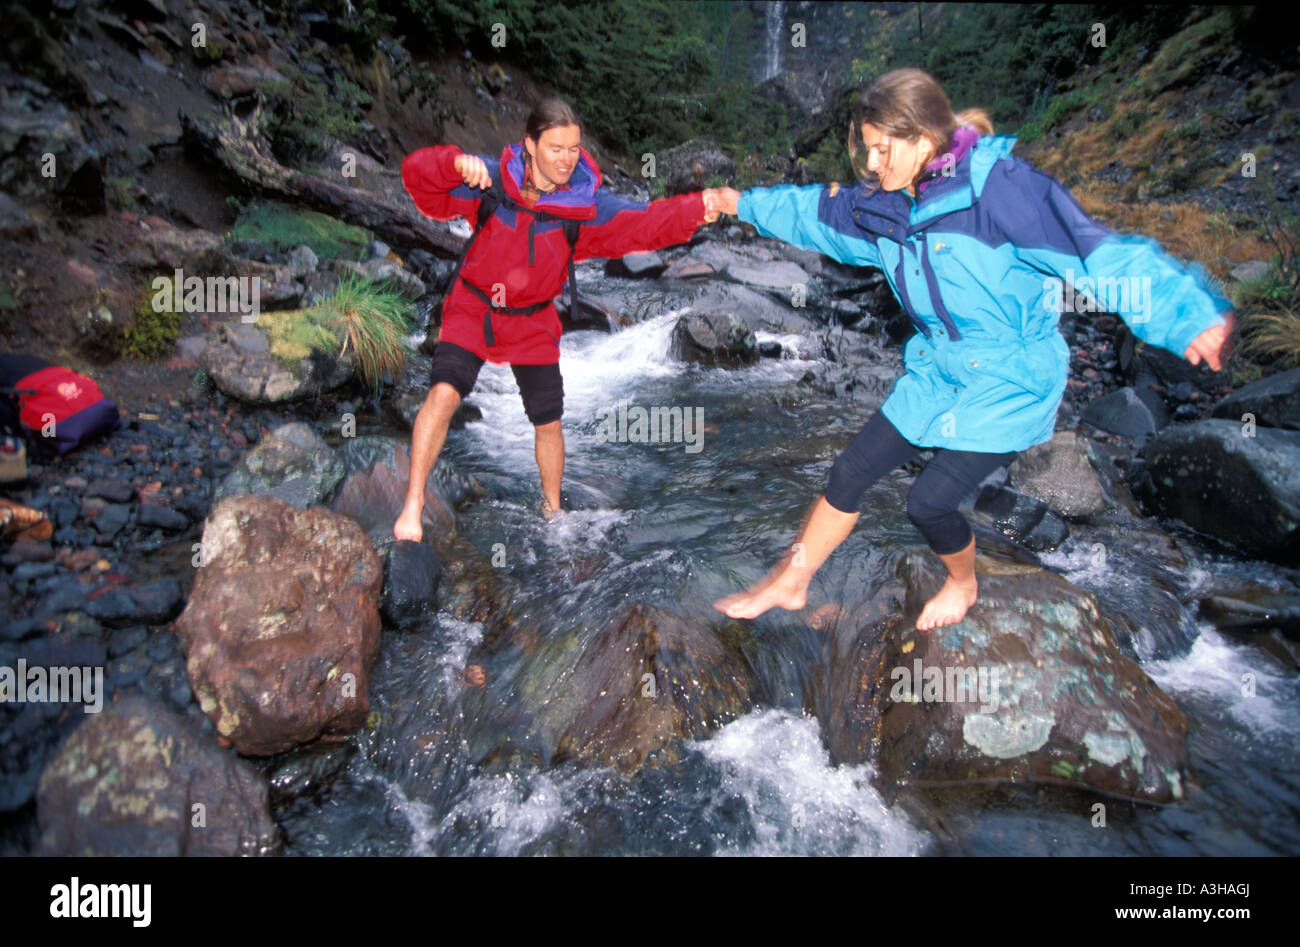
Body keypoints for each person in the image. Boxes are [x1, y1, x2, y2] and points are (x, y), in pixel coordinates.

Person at [711, 68, 1234, 631]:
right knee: (849, 472)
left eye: (884, 151)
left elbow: (1097, 253)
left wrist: (1185, 315)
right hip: (940, 367)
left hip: (1012, 378)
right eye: (866, 151)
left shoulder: (998, 191)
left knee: (928, 502)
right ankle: (791, 581)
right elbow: (810, 210)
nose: (873, 165)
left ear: (924, 140)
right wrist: (739, 203)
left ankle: (963, 585)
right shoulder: (883, 206)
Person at [394, 98, 725, 540]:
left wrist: (700, 207)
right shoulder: (491, 182)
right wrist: (452, 164)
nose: (567, 159)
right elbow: (420, 186)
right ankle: (413, 502)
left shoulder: (582, 208)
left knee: (548, 420)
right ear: (529, 145)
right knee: (444, 392)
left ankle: (553, 513)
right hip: (474, 307)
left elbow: (643, 222)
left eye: (573, 148)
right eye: (555, 148)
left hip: (532, 321)